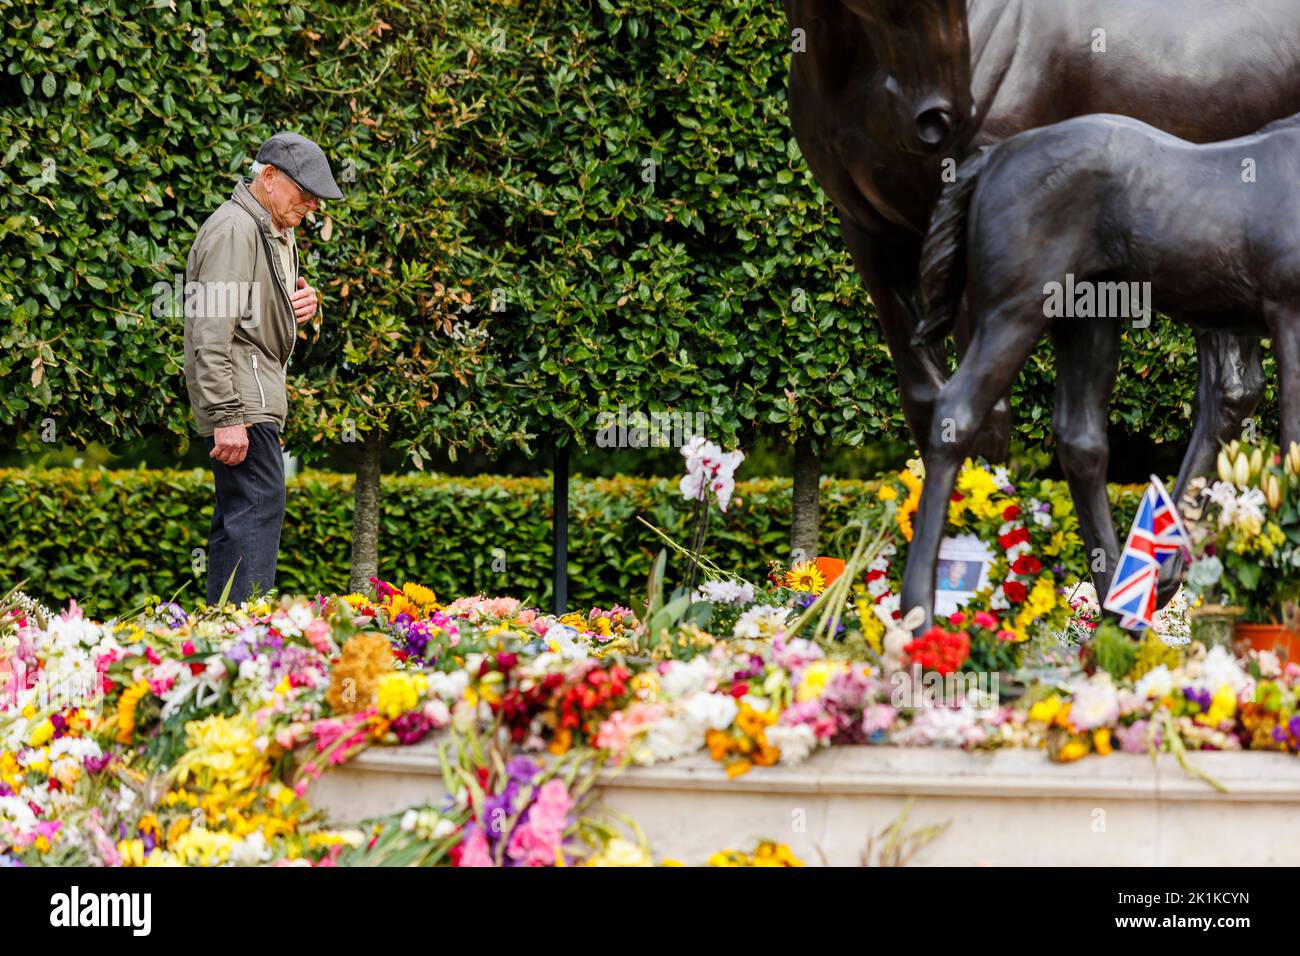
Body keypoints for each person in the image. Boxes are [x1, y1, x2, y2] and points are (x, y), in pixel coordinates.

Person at [183, 132, 342, 605]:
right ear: (268, 177)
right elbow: (208, 330)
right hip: (243, 406)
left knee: (240, 527)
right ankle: (249, 645)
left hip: (254, 399)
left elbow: (254, 317)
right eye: (305, 194)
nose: (312, 205)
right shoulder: (234, 229)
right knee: (256, 516)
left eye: (316, 199)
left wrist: (302, 306)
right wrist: (227, 417)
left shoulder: (273, 230)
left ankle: (221, 641)